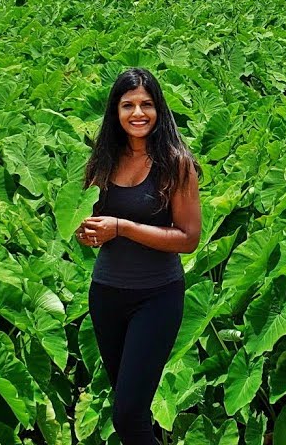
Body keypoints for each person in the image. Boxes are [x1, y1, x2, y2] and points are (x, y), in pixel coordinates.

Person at [77, 67, 203, 445]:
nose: (137, 113)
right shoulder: (103, 161)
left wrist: (123, 227)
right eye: (128, 105)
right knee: (133, 409)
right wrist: (90, 233)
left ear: (159, 110)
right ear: (115, 112)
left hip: (156, 296)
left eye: (146, 105)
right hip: (107, 294)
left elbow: (188, 238)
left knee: (127, 413)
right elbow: (89, 218)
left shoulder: (175, 164)